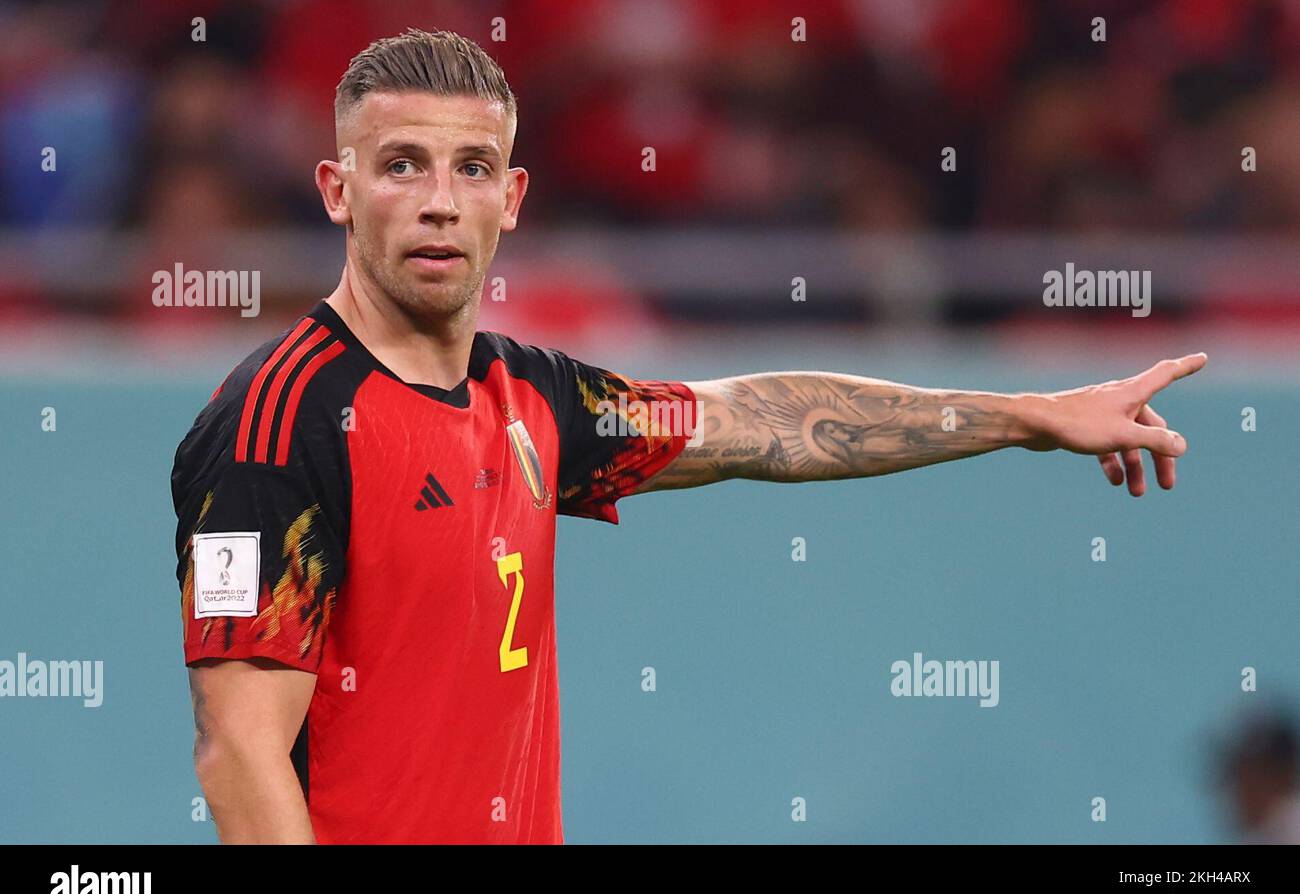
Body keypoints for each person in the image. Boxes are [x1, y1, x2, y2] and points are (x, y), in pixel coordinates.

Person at [173, 28, 1207, 844]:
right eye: (401, 165)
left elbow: (761, 423)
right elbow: (238, 753)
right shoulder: (282, 422)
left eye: (472, 167)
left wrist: (1027, 417)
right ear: (337, 190)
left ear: (513, 198)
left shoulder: (533, 398)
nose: (440, 203)